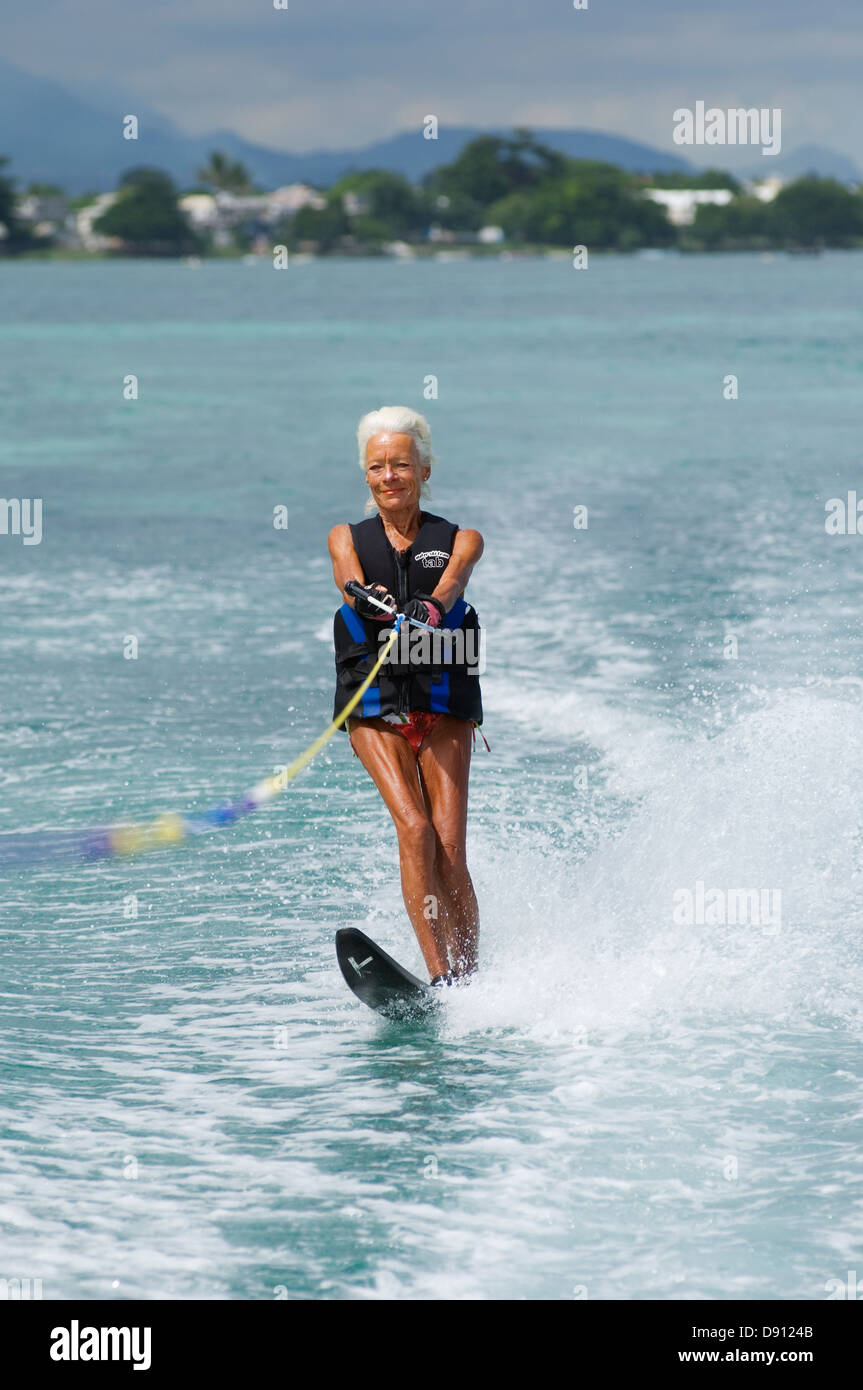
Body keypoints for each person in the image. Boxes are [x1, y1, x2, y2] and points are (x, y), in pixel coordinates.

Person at [328, 406, 485, 985]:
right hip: (374, 707)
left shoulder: (461, 538)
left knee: (448, 850)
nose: (389, 475)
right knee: (413, 830)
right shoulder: (344, 537)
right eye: (377, 467)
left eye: (401, 465)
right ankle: (440, 974)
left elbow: (454, 578)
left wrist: (432, 607)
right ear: (366, 476)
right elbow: (346, 578)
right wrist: (362, 597)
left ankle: (471, 978)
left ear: (424, 471)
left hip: (442, 706)